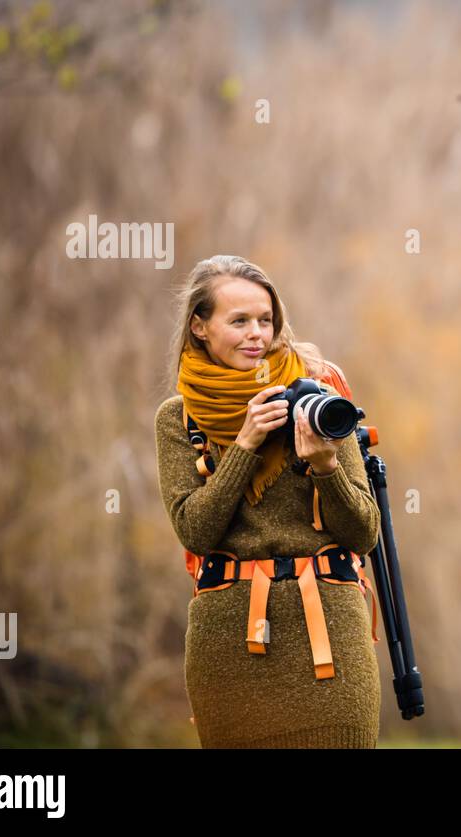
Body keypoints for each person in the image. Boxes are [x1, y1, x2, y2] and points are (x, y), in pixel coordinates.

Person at [153, 254, 382, 748]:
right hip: (229, 652)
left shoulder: (321, 400)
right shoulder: (179, 419)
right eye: (239, 321)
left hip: (332, 647)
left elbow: (364, 532)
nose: (257, 333)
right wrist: (245, 446)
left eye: (265, 320)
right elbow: (195, 531)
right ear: (199, 327)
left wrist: (326, 467)